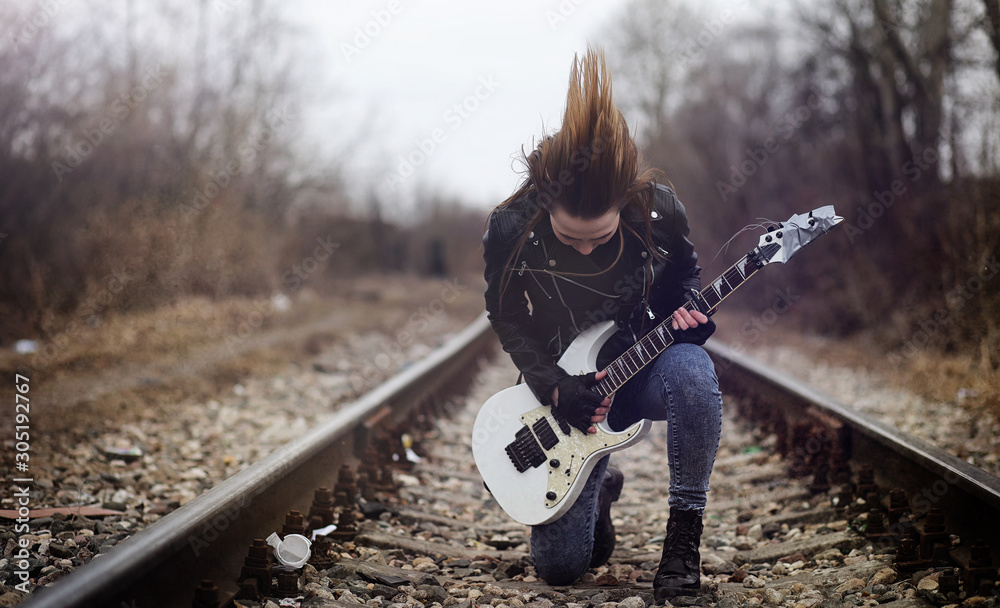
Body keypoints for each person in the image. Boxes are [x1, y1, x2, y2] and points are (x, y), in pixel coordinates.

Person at [481, 47, 723, 601]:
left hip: (639, 368)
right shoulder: (512, 225)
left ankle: (684, 538)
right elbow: (507, 314)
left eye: (601, 235)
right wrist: (553, 386)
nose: (587, 247)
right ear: (546, 205)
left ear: (625, 202)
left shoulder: (659, 212)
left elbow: (685, 280)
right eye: (571, 238)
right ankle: (602, 486)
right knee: (563, 569)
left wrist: (690, 316)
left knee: (694, 372)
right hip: (566, 393)